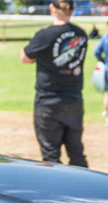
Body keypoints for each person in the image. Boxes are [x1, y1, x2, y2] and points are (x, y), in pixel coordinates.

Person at [21, 0, 90, 167]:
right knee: (76, 152)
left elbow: (25, 57)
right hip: (74, 98)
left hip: (49, 99)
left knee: (50, 156)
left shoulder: (46, 35)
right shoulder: (80, 34)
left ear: (51, 8)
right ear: (72, 10)